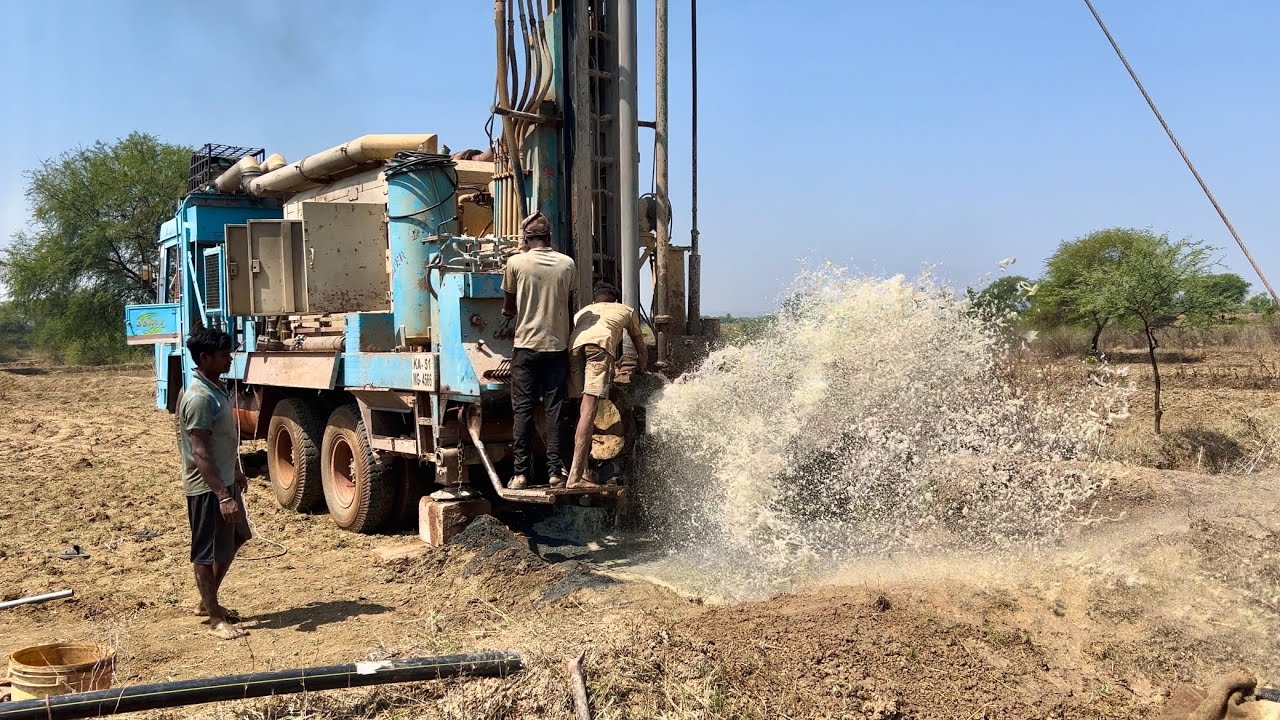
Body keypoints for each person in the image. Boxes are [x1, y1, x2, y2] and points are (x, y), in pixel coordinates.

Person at [178, 327, 251, 640]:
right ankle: (214, 619)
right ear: (204, 358)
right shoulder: (199, 398)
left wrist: (235, 471)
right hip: (208, 489)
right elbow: (200, 450)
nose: (229, 360)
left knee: (237, 536)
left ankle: (208, 603)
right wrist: (223, 495)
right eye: (223, 355)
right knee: (205, 553)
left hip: (223, 482)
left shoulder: (216, 388)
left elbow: (222, 440)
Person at [501, 212, 576, 489]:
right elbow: (568, 297)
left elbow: (509, 307)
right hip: (557, 347)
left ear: (525, 239)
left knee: (523, 411)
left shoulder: (515, 262)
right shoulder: (567, 264)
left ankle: (521, 475)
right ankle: (555, 473)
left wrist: (510, 312)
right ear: (549, 238)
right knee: (554, 410)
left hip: (526, 347)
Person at [566, 282, 646, 487]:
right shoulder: (625, 310)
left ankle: (572, 466)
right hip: (599, 349)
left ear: (595, 300)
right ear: (616, 301)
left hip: (573, 349)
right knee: (588, 410)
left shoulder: (584, 311)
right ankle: (578, 475)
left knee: (580, 406)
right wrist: (642, 369)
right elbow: (639, 343)